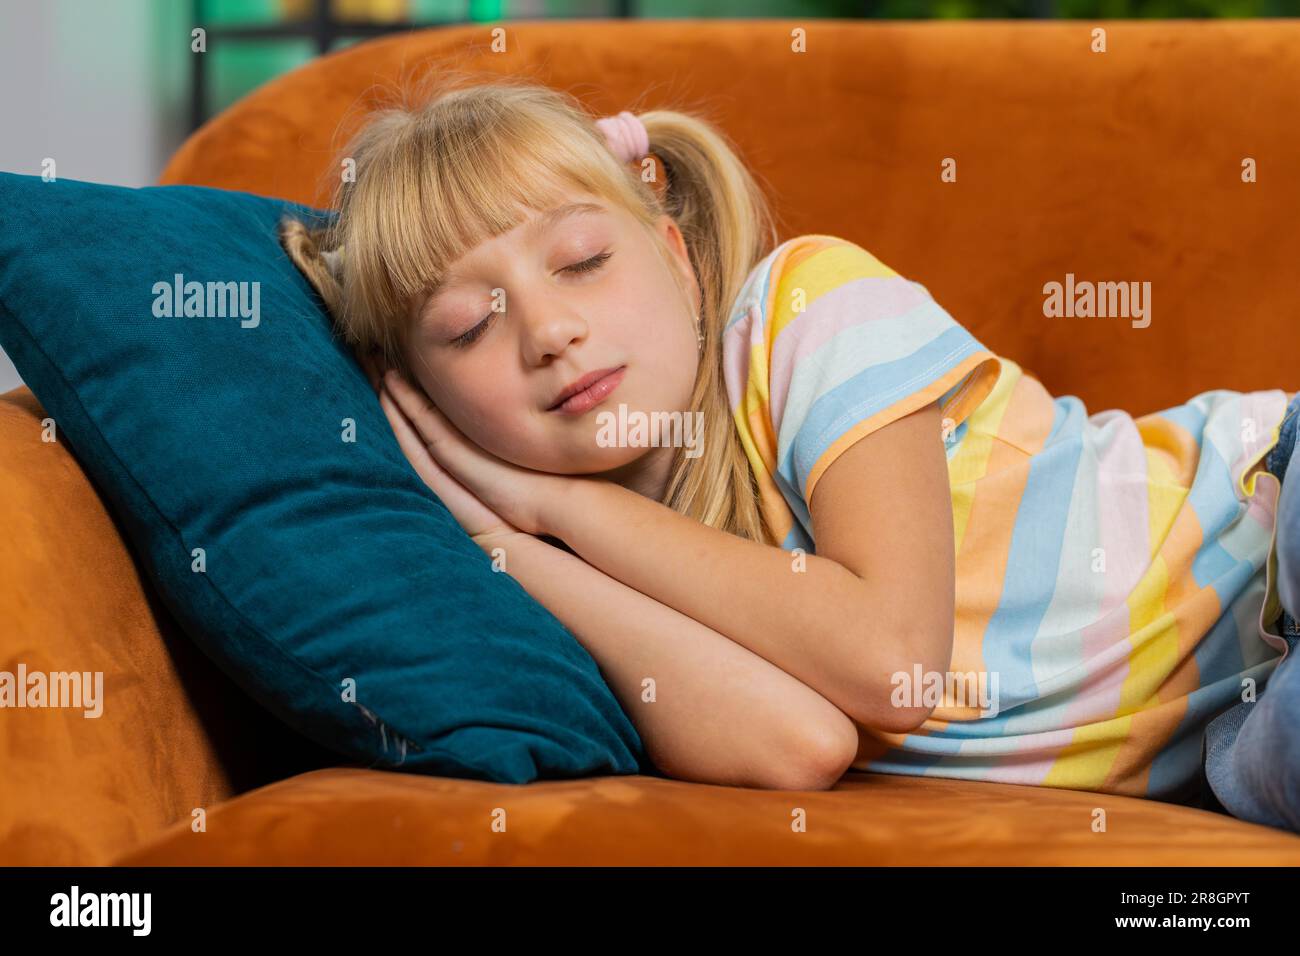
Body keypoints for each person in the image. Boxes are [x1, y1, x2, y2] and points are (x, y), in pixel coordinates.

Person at [280, 75, 1297, 821]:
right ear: (420, 398)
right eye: (467, 326)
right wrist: (514, 544)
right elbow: (800, 741)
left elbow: (891, 664)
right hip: (1248, 729)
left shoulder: (803, 310)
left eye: (583, 261)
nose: (547, 331)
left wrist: (563, 506)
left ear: (674, 253)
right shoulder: (567, 576)